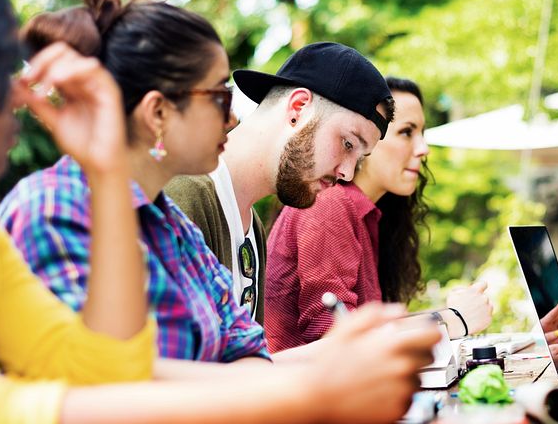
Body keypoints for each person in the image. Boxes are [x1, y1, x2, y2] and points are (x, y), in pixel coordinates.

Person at [0, 0, 439, 424]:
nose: (15, 89)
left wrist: (108, 173)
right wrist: (316, 390)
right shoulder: (48, 210)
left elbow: (103, 374)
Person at [0, 0, 272, 367]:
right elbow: (104, 385)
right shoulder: (52, 210)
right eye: (219, 95)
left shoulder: (170, 223)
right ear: (158, 112)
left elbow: (250, 350)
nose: (233, 117)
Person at [164, 41, 396, 326]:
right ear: (298, 108)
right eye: (348, 143)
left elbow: (245, 364)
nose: (348, 172)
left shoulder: (252, 229)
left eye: (359, 158)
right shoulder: (183, 193)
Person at [264, 77, 493, 352]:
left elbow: (368, 333)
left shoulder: (366, 214)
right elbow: (336, 337)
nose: (423, 149)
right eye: (407, 132)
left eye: (422, 133)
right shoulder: (329, 203)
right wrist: (452, 319)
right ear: (368, 137)